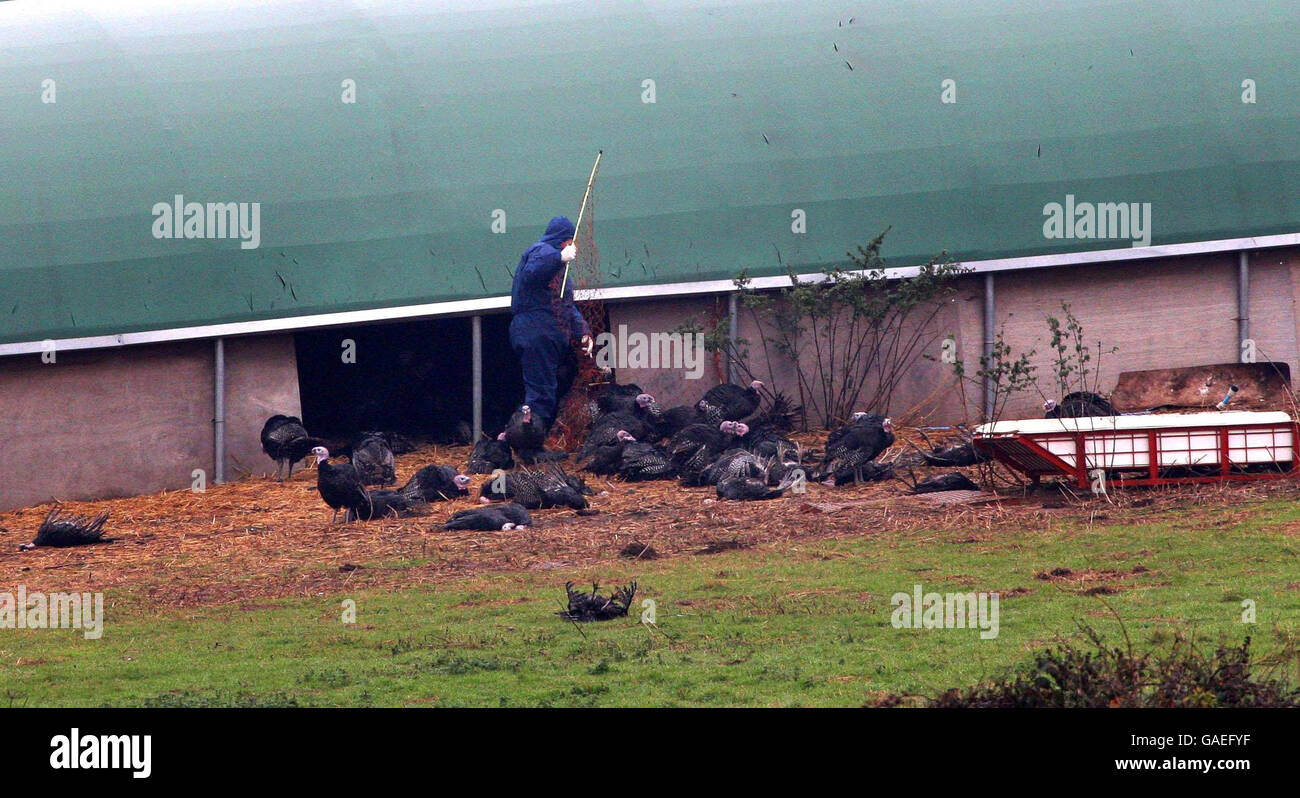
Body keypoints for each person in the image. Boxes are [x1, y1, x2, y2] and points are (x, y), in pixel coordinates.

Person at [509, 215, 593, 431]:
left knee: (544, 388)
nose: (573, 246)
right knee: (541, 391)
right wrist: (558, 257)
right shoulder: (543, 251)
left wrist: (581, 330)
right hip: (536, 330)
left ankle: (533, 436)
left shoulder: (558, 270)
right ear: (564, 240)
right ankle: (531, 445)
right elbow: (531, 273)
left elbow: (564, 304)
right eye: (571, 241)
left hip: (544, 333)